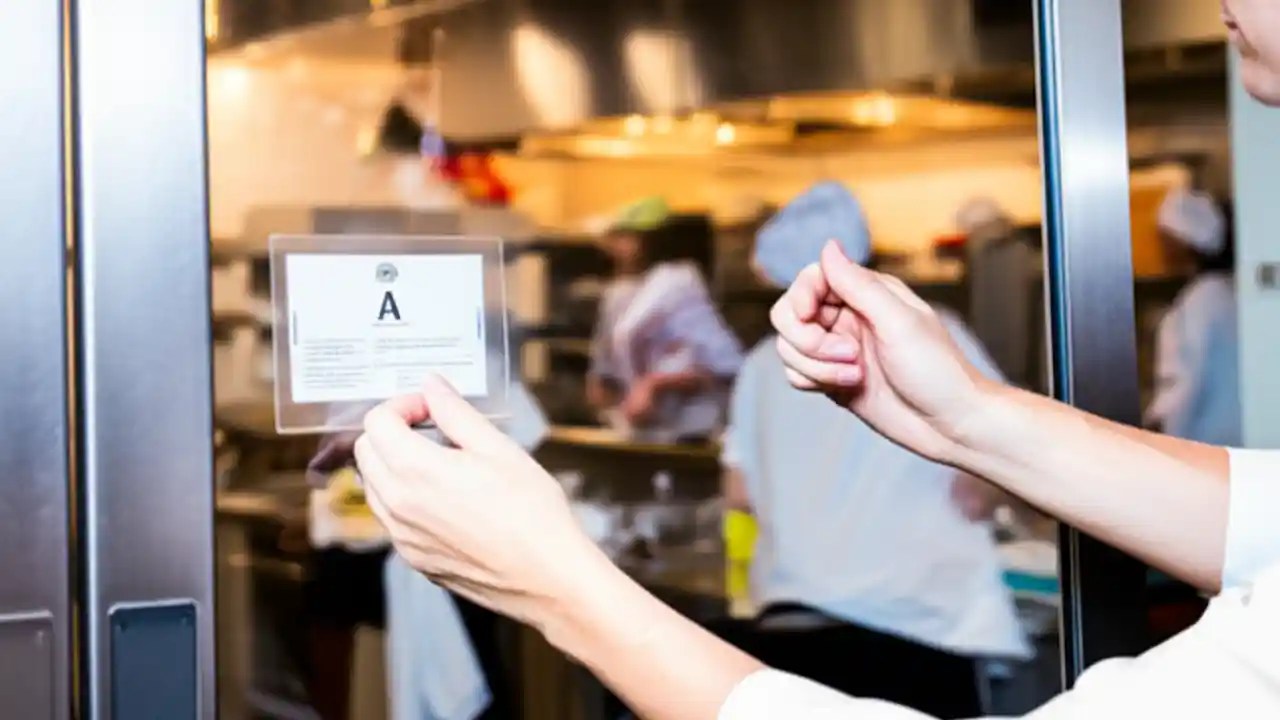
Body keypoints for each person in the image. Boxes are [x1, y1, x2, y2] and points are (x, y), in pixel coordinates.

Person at [349, 3, 1280, 717]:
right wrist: (972, 418)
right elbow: (1262, 521)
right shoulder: (914, 350)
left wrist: (559, 585)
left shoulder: (763, 365)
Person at [718, 182, 1027, 717]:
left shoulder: (764, 362)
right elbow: (995, 469)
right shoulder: (931, 336)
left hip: (792, 624)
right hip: (920, 625)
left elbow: (738, 492)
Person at [588, 200, 743, 443]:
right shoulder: (618, 293)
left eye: (628, 237)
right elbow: (607, 364)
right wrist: (604, 386)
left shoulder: (679, 285)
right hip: (638, 430)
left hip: (689, 430)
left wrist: (654, 385)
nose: (617, 247)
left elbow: (721, 363)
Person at [1144, 188, 1241, 447]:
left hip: (1205, 442)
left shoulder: (1201, 301)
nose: (1160, 245)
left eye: (1165, 237)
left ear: (1185, 240)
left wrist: (1155, 436)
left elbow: (1183, 383)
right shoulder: (1225, 292)